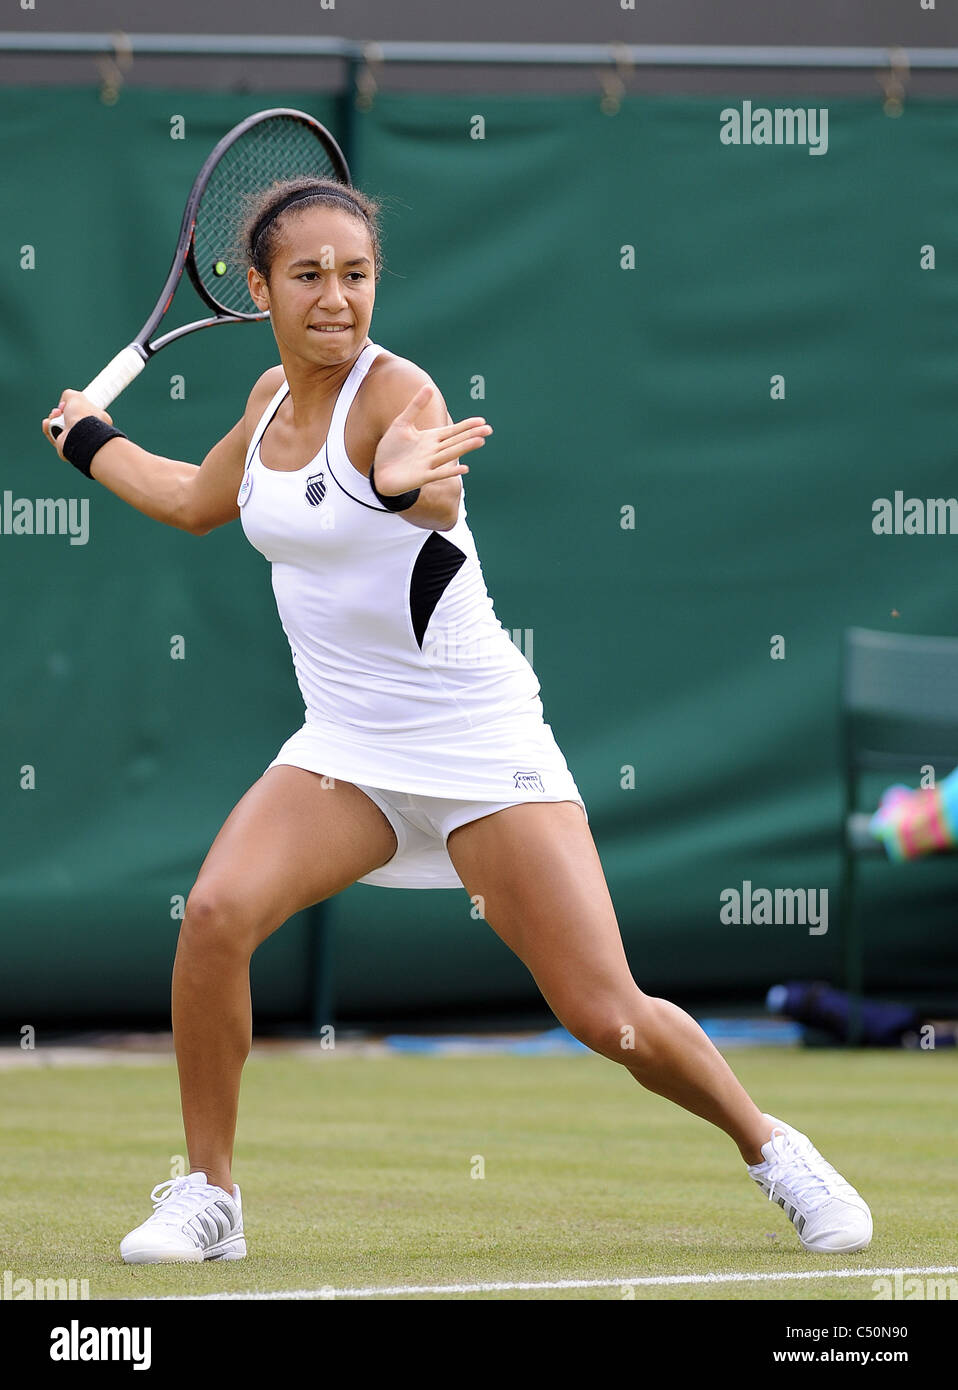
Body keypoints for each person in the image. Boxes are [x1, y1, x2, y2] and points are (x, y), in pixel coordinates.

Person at [42, 178, 872, 1265]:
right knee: (214, 917)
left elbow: (428, 494)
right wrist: (89, 442)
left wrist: (398, 486)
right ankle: (210, 1193)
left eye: (356, 274)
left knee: (604, 1012)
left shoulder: (403, 395)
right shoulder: (265, 408)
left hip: (480, 745)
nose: (336, 298)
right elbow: (198, 500)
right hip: (344, 749)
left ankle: (774, 1150)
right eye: (309, 276)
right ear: (258, 289)